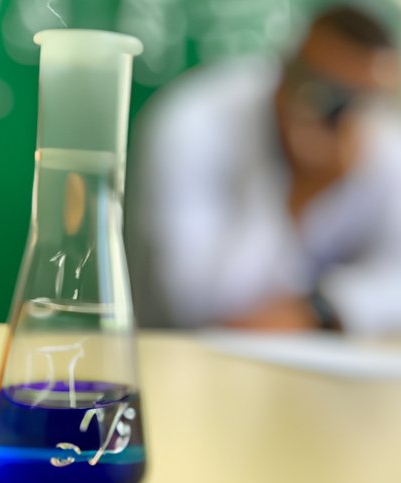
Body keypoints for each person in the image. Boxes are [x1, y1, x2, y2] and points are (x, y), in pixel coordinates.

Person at [126, 5, 401, 334]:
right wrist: (303, 192)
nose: (339, 117)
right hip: (175, 349)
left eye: (359, 101)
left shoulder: (377, 137)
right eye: (319, 89)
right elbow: (196, 305)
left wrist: (320, 308)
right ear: (285, 69)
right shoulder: (192, 122)